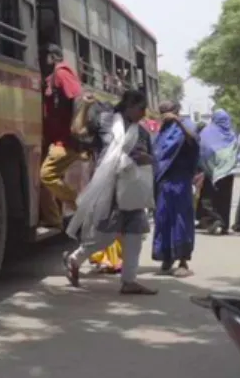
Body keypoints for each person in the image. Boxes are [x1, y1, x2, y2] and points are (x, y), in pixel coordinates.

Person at [64, 88, 156, 295]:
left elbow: (151, 158)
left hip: (132, 188)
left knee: (135, 233)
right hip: (109, 188)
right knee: (106, 236)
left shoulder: (141, 132)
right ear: (129, 106)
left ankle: (129, 281)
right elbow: (78, 133)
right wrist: (85, 107)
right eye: (141, 108)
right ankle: (74, 259)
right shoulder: (105, 121)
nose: (143, 114)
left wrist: (145, 160)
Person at [152, 101, 201, 276]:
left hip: (180, 182)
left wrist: (178, 122)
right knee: (163, 219)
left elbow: (193, 140)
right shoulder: (162, 131)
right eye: (161, 111)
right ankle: (166, 258)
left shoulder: (186, 125)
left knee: (181, 220)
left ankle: (183, 261)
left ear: (176, 111)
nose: (164, 114)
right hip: (163, 182)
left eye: (167, 111)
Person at [38, 44, 84, 229]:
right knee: (43, 181)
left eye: (44, 56)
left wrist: (76, 128)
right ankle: (54, 220)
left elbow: (78, 97)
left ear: (53, 57)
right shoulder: (51, 78)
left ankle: (77, 201)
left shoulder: (62, 73)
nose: (41, 60)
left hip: (66, 141)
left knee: (46, 175)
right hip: (55, 139)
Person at [197, 109, 240, 235]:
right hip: (228, 172)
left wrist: (202, 167)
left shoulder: (206, 132)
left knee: (207, 199)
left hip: (211, 172)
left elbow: (202, 151)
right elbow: (235, 152)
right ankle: (224, 225)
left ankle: (215, 219)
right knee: (225, 199)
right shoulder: (231, 134)